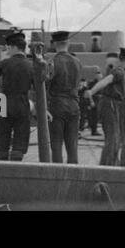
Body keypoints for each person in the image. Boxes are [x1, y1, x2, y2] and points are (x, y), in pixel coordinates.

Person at [0, 33, 37, 161]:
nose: (7, 51)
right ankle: (16, 164)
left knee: (1, 137)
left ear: (13, 47)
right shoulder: (30, 65)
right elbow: (39, 85)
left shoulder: (5, 63)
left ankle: (2, 164)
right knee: (21, 136)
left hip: (2, 102)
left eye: (8, 48)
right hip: (22, 102)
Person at [45, 30, 82, 164]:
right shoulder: (77, 62)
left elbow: (45, 83)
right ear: (68, 43)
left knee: (56, 146)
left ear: (54, 44)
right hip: (74, 106)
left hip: (57, 107)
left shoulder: (52, 62)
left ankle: (58, 178)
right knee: (72, 147)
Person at [85, 51, 125, 166]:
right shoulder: (119, 71)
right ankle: (107, 168)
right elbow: (106, 80)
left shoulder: (121, 72)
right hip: (111, 105)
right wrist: (92, 91)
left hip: (112, 105)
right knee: (112, 139)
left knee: (115, 139)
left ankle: (112, 164)